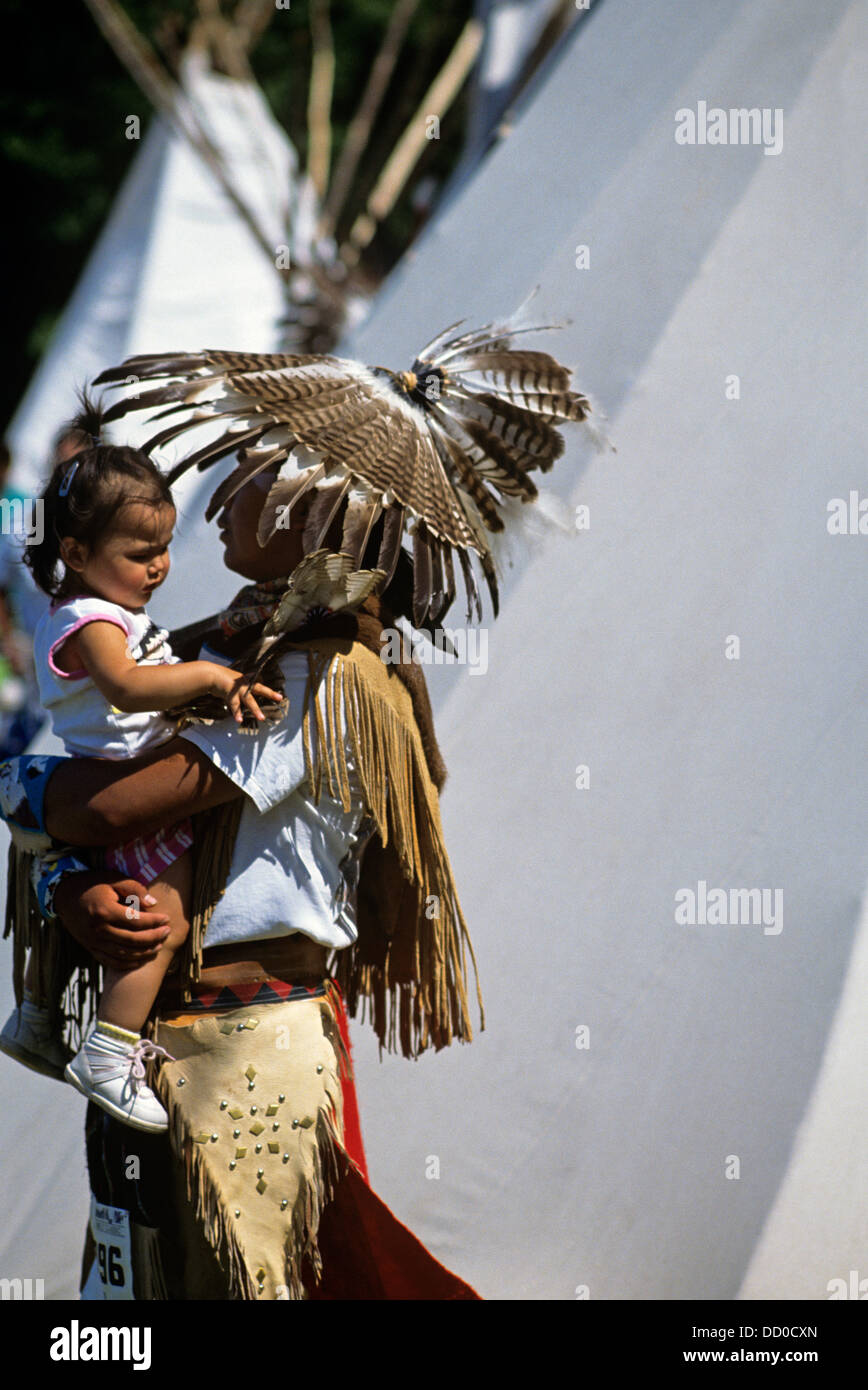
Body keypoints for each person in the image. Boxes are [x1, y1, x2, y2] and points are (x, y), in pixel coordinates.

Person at [0, 449, 483, 1299]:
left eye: (261, 476)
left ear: (316, 519)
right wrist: (67, 888)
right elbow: (104, 807)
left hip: (245, 1049)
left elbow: (113, 810)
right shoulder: (242, 648)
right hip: (158, 1041)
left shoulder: (319, 678)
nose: (226, 489)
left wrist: (19, 783)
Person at [0, 401, 280, 1131]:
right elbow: (128, 685)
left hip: (117, 780)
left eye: (163, 547)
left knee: (135, 916)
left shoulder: (109, 610)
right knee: (162, 926)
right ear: (77, 552)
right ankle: (111, 1049)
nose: (157, 566)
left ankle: (39, 1017)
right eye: (138, 552)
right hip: (120, 787)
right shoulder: (87, 620)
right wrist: (210, 680)